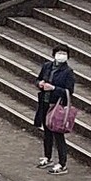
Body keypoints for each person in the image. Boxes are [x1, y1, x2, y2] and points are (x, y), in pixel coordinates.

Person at [35, 46, 79, 174]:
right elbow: (38, 79)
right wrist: (40, 84)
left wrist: (53, 88)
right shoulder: (47, 66)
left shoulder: (68, 72)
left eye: (64, 53)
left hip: (57, 106)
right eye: (59, 53)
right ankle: (47, 157)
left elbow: (69, 91)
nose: (61, 55)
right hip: (45, 102)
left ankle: (62, 163)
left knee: (58, 135)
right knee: (47, 132)